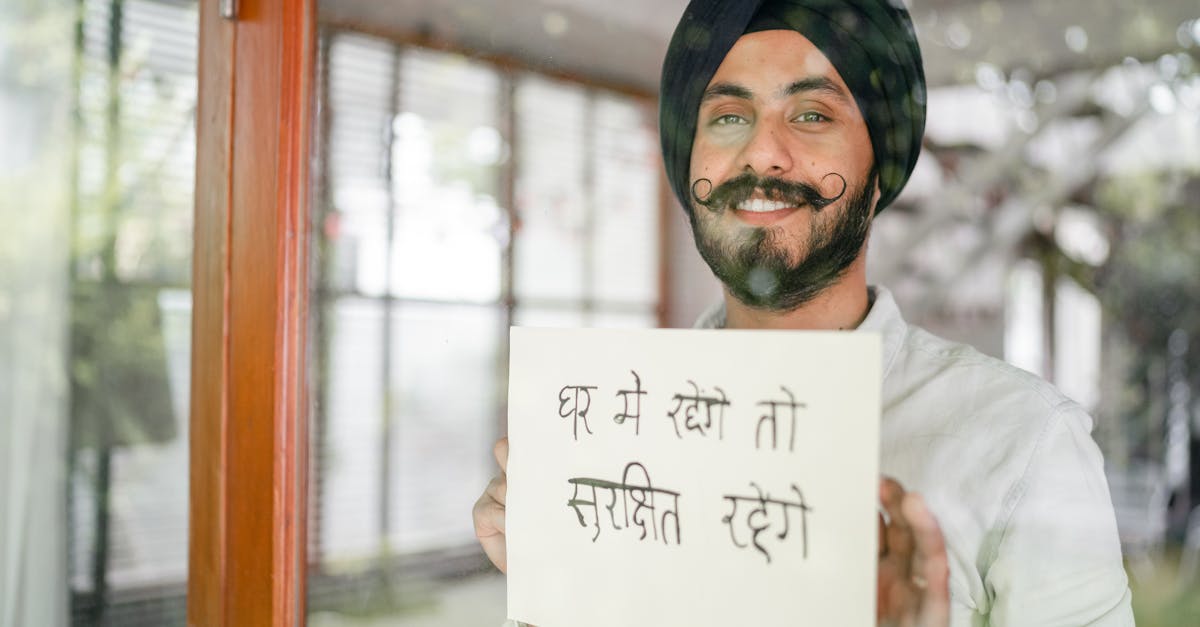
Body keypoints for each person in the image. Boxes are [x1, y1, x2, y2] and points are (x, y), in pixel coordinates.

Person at [474, 0, 1134, 624]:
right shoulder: (617, 437)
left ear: (880, 168)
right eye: (729, 117)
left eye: (812, 115)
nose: (763, 152)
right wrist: (559, 592)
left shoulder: (1024, 442)